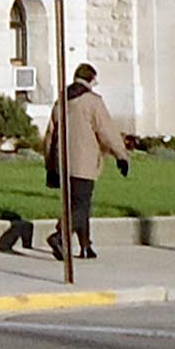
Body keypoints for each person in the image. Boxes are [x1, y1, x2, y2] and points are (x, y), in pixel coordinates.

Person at [47, 64, 126, 264]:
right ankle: (60, 236)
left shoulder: (61, 101)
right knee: (81, 206)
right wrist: (121, 155)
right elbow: (106, 131)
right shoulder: (93, 102)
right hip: (84, 162)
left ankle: (85, 246)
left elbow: (50, 135)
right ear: (90, 80)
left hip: (62, 162)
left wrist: (50, 164)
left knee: (76, 204)